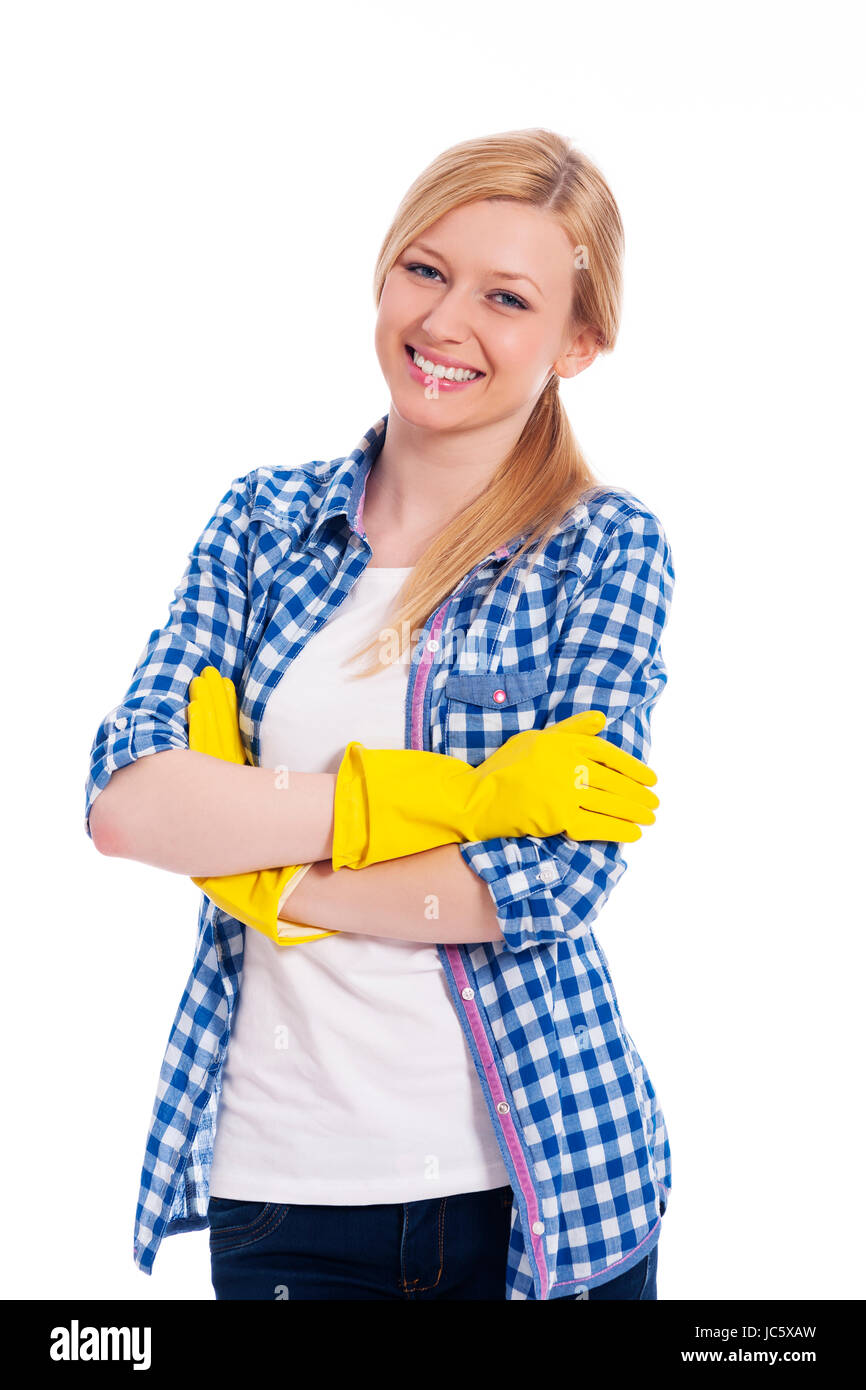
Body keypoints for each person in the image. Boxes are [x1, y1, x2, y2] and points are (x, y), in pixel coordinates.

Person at [84, 127, 675, 1301]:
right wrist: (447, 799)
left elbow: (542, 886)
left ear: (577, 342)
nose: (445, 322)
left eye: (506, 298)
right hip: (281, 1189)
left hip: (536, 1187)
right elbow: (129, 802)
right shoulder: (261, 524)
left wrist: (267, 870)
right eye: (425, 269)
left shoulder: (602, 550)